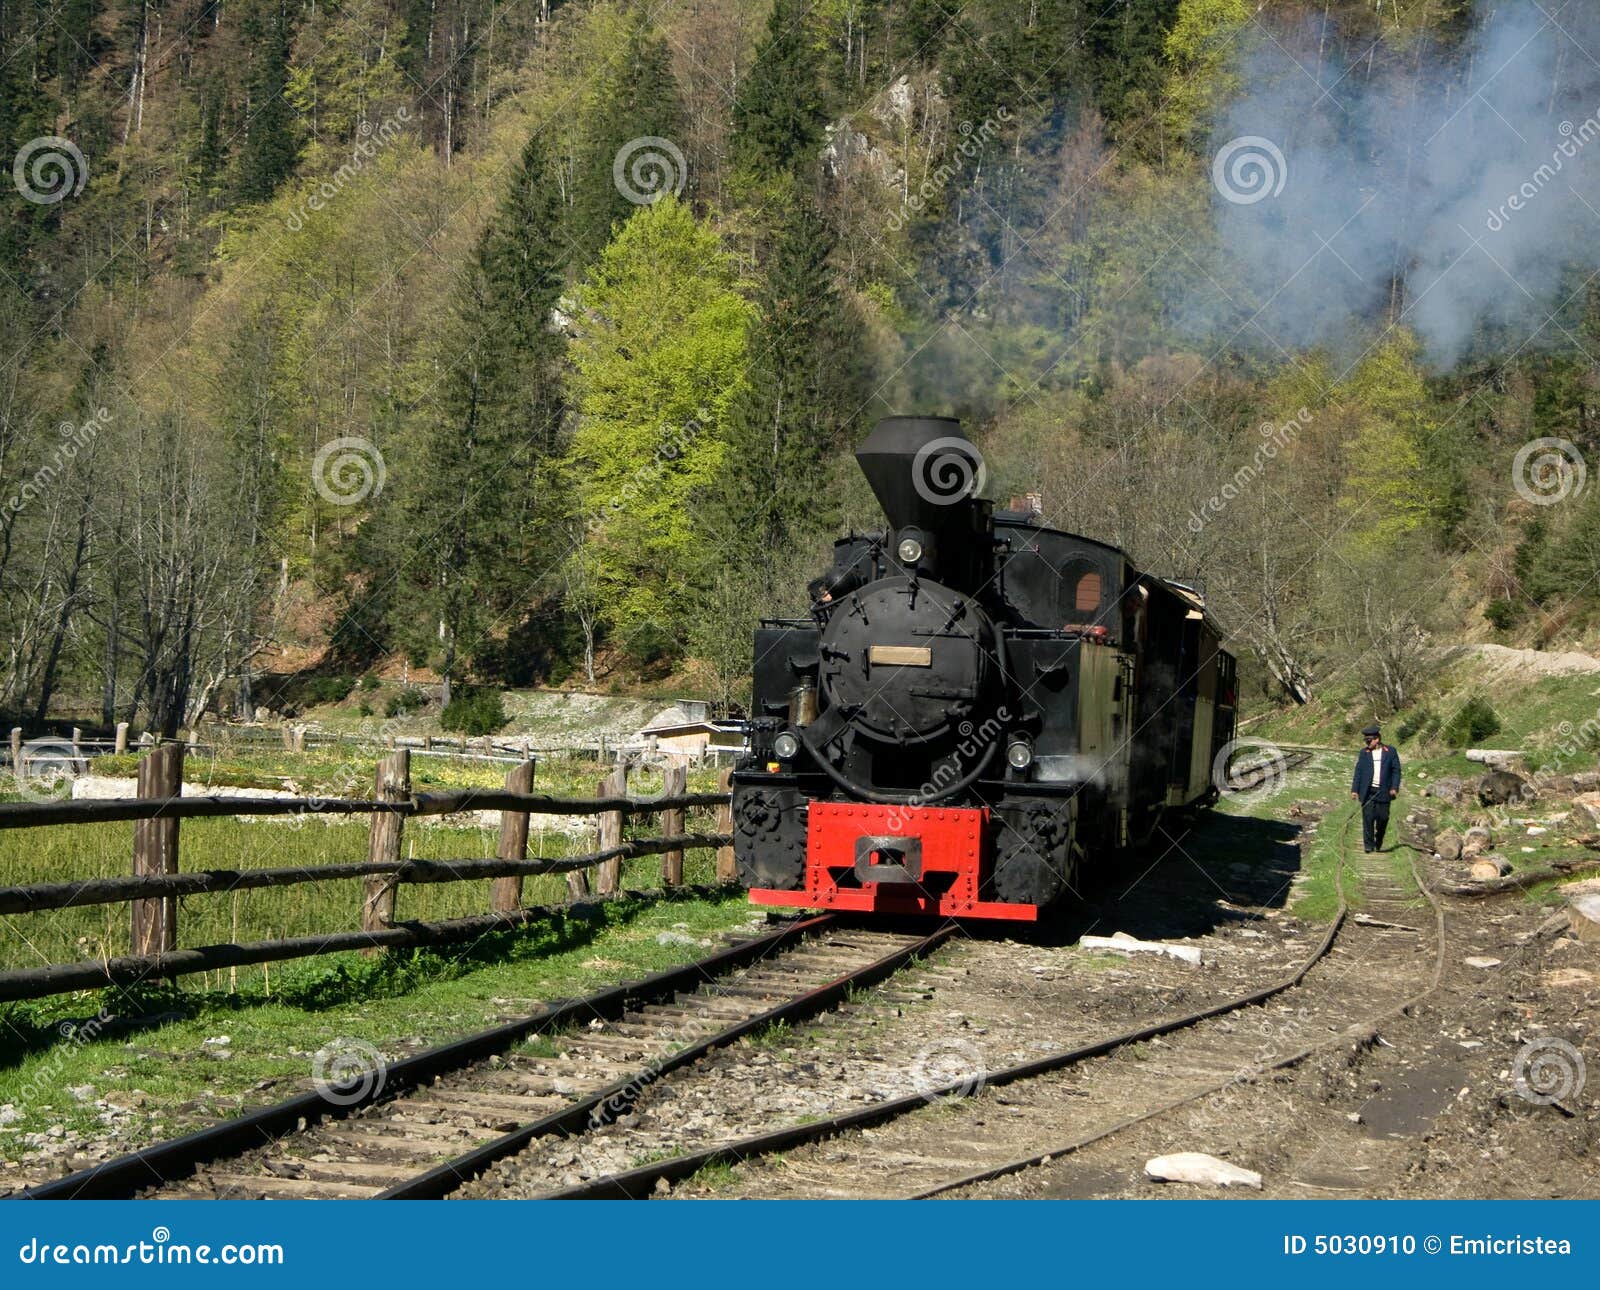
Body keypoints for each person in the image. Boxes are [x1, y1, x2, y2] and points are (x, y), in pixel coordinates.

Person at [1350, 723, 1401, 853]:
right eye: (1366, 741)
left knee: (1383, 818)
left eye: (1369, 740)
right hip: (1368, 792)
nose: (1367, 743)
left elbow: (1396, 771)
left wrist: (1394, 787)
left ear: (1377, 739)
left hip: (1384, 791)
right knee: (1368, 819)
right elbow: (1358, 772)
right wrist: (1355, 790)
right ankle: (1368, 845)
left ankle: (1378, 840)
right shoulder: (1364, 753)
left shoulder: (1390, 751)